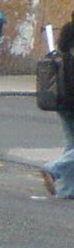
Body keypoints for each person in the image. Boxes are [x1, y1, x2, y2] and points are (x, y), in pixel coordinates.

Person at [46, 11, 74, 198]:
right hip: (72, 101)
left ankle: (67, 190)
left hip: (62, 100)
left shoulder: (66, 36)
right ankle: (53, 169)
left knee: (71, 145)